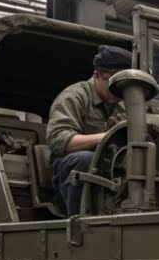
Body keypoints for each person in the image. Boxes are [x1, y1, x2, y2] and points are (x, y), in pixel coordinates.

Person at [46, 45, 132, 216]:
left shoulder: (125, 104)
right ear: (96, 76)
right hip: (69, 172)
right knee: (85, 159)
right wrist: (106, 137)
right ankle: (80, 220)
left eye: (121, 85)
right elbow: (59, 140)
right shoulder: (74, 97)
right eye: (110, 81)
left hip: (113, 169)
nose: (116, 89)